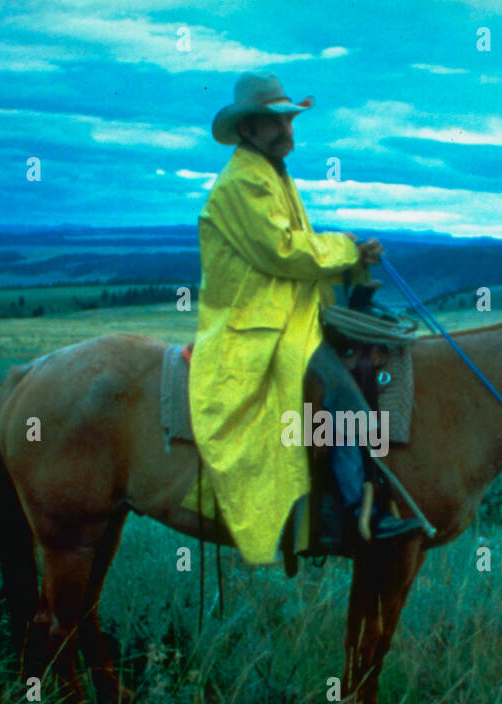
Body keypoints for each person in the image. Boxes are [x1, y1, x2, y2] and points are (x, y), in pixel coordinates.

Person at [182, 72, 424, 565]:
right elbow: (285, 253)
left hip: (288, 315)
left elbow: (301, 252)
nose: (286, 130)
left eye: (288, 119)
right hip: (256, 325)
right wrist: (348, 247)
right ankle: (360, 514)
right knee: (343, 398)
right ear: (247, 128)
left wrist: (355, 260)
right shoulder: (242, 183)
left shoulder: (271, 174)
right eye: (274, 122)